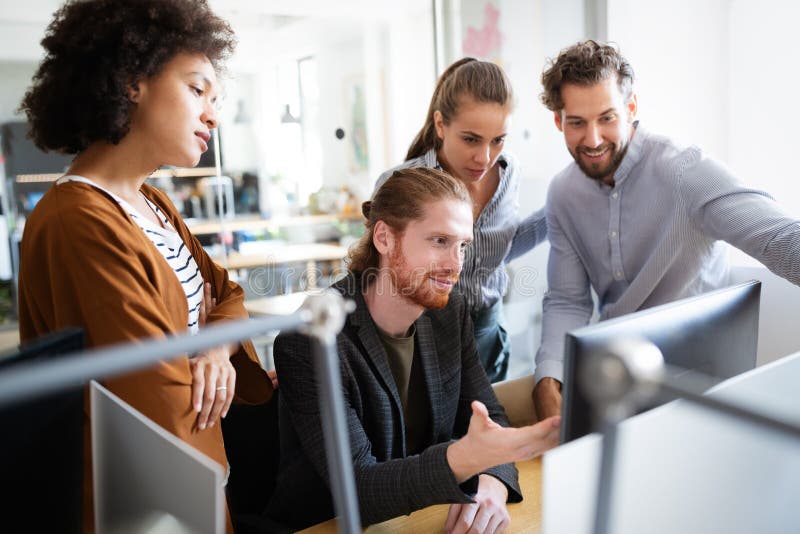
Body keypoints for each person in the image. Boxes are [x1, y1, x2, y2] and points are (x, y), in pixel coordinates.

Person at [17, 0, 273, 528]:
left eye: (215, 99)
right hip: (147, 499)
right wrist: (202, 333)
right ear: (132, 80)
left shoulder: (151, 202)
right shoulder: (78, 219)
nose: (213, 115)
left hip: (190, 478)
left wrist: (214, 348)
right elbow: (153, 389)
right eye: (197, 89)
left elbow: (228, 294)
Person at [266, 167, 560, 531]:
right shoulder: (312, 340)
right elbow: (358, 490)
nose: (455, 264)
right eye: (439, 241)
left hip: (417, 518)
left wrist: (492, 482)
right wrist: (464, 459)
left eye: (462, 245)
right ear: (385, 238)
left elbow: (493, 418)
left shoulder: (449, 314)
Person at [532, 39, 800, 419]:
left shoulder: (685, 171)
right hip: (614, 381)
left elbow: (779, 238)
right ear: (559, 121)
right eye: (577, 122)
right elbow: (567, 300)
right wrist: (549, 376)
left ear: (631, 108)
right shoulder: (563, 193)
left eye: (607, 118)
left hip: (697, 384)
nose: (592, 140)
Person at [374, 58, 548, 383]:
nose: (485, 157)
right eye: (471, 139)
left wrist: (558, 210)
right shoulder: (401, 183)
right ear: (441, 125)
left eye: (498, 140)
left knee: (490, 414)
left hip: (487, 335)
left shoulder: (510, 172)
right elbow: (370, 273)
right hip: (423, 338)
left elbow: (498, 251)